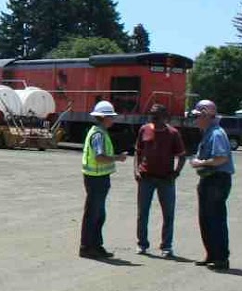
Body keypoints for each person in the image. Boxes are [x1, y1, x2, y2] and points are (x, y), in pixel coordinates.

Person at [134, 103, 187, 256]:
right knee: (142, 213)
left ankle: (166, 246)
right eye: (152, 115)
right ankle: (142, 244)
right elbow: (138, 152)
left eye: (157, 116)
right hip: (146, 178)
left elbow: (182, 156)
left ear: (165, 117)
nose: (154, 118)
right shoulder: (144, 130)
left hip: (166, 179)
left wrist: (176, 173)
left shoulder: (173, 133)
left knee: (168, 214)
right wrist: (136, 170)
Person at [188, 98, 235, 271]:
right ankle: (212, 255)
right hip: (209, 180)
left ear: (206, 115)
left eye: (198, 116)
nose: (196, 120)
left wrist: (200, 163)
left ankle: (221, 258)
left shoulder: (216, 134)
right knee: (206, 219)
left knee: (215, 219)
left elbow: (221, 158)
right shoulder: (209, 132)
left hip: (217, 180)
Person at [79, 100, 128, 258]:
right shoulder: (99, 134)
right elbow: (100, 157)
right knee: (94, 214)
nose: (112, 119)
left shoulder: (99, 132)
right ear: (103, 117)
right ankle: (87, 247)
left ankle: (95, 245)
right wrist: (118, 158)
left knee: (98, 214)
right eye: (110, 117)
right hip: (96, 179)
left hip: (97, 178)